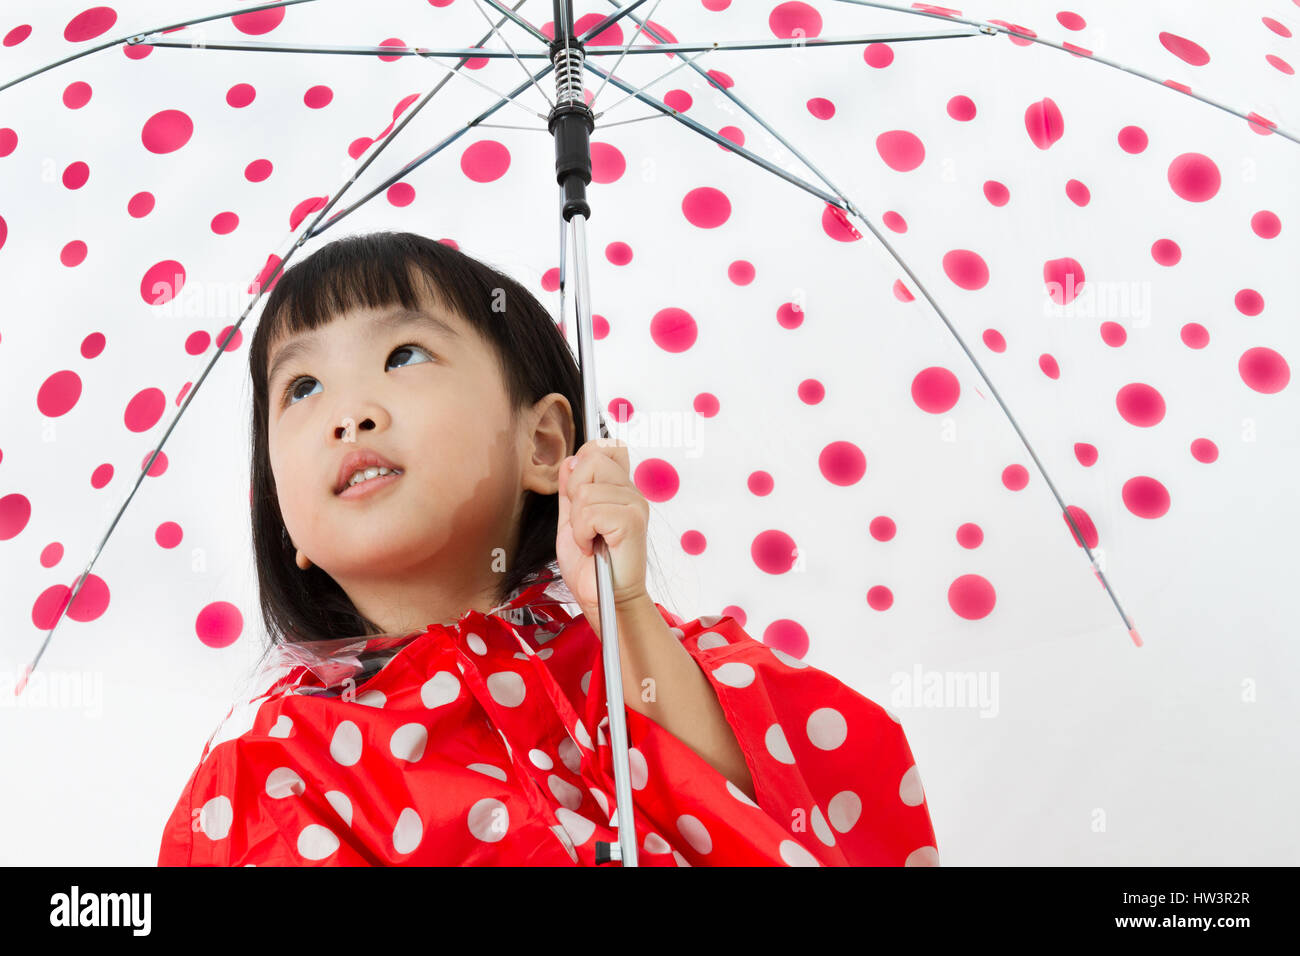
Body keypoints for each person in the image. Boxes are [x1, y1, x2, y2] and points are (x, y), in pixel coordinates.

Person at [156, 230, 939, 866]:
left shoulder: (638, 662)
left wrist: (625, 616)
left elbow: (793, 815)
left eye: (403, 357)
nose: (349, 415)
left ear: (542, 443)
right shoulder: (273, 776)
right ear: (283, 521)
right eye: (301, 388)